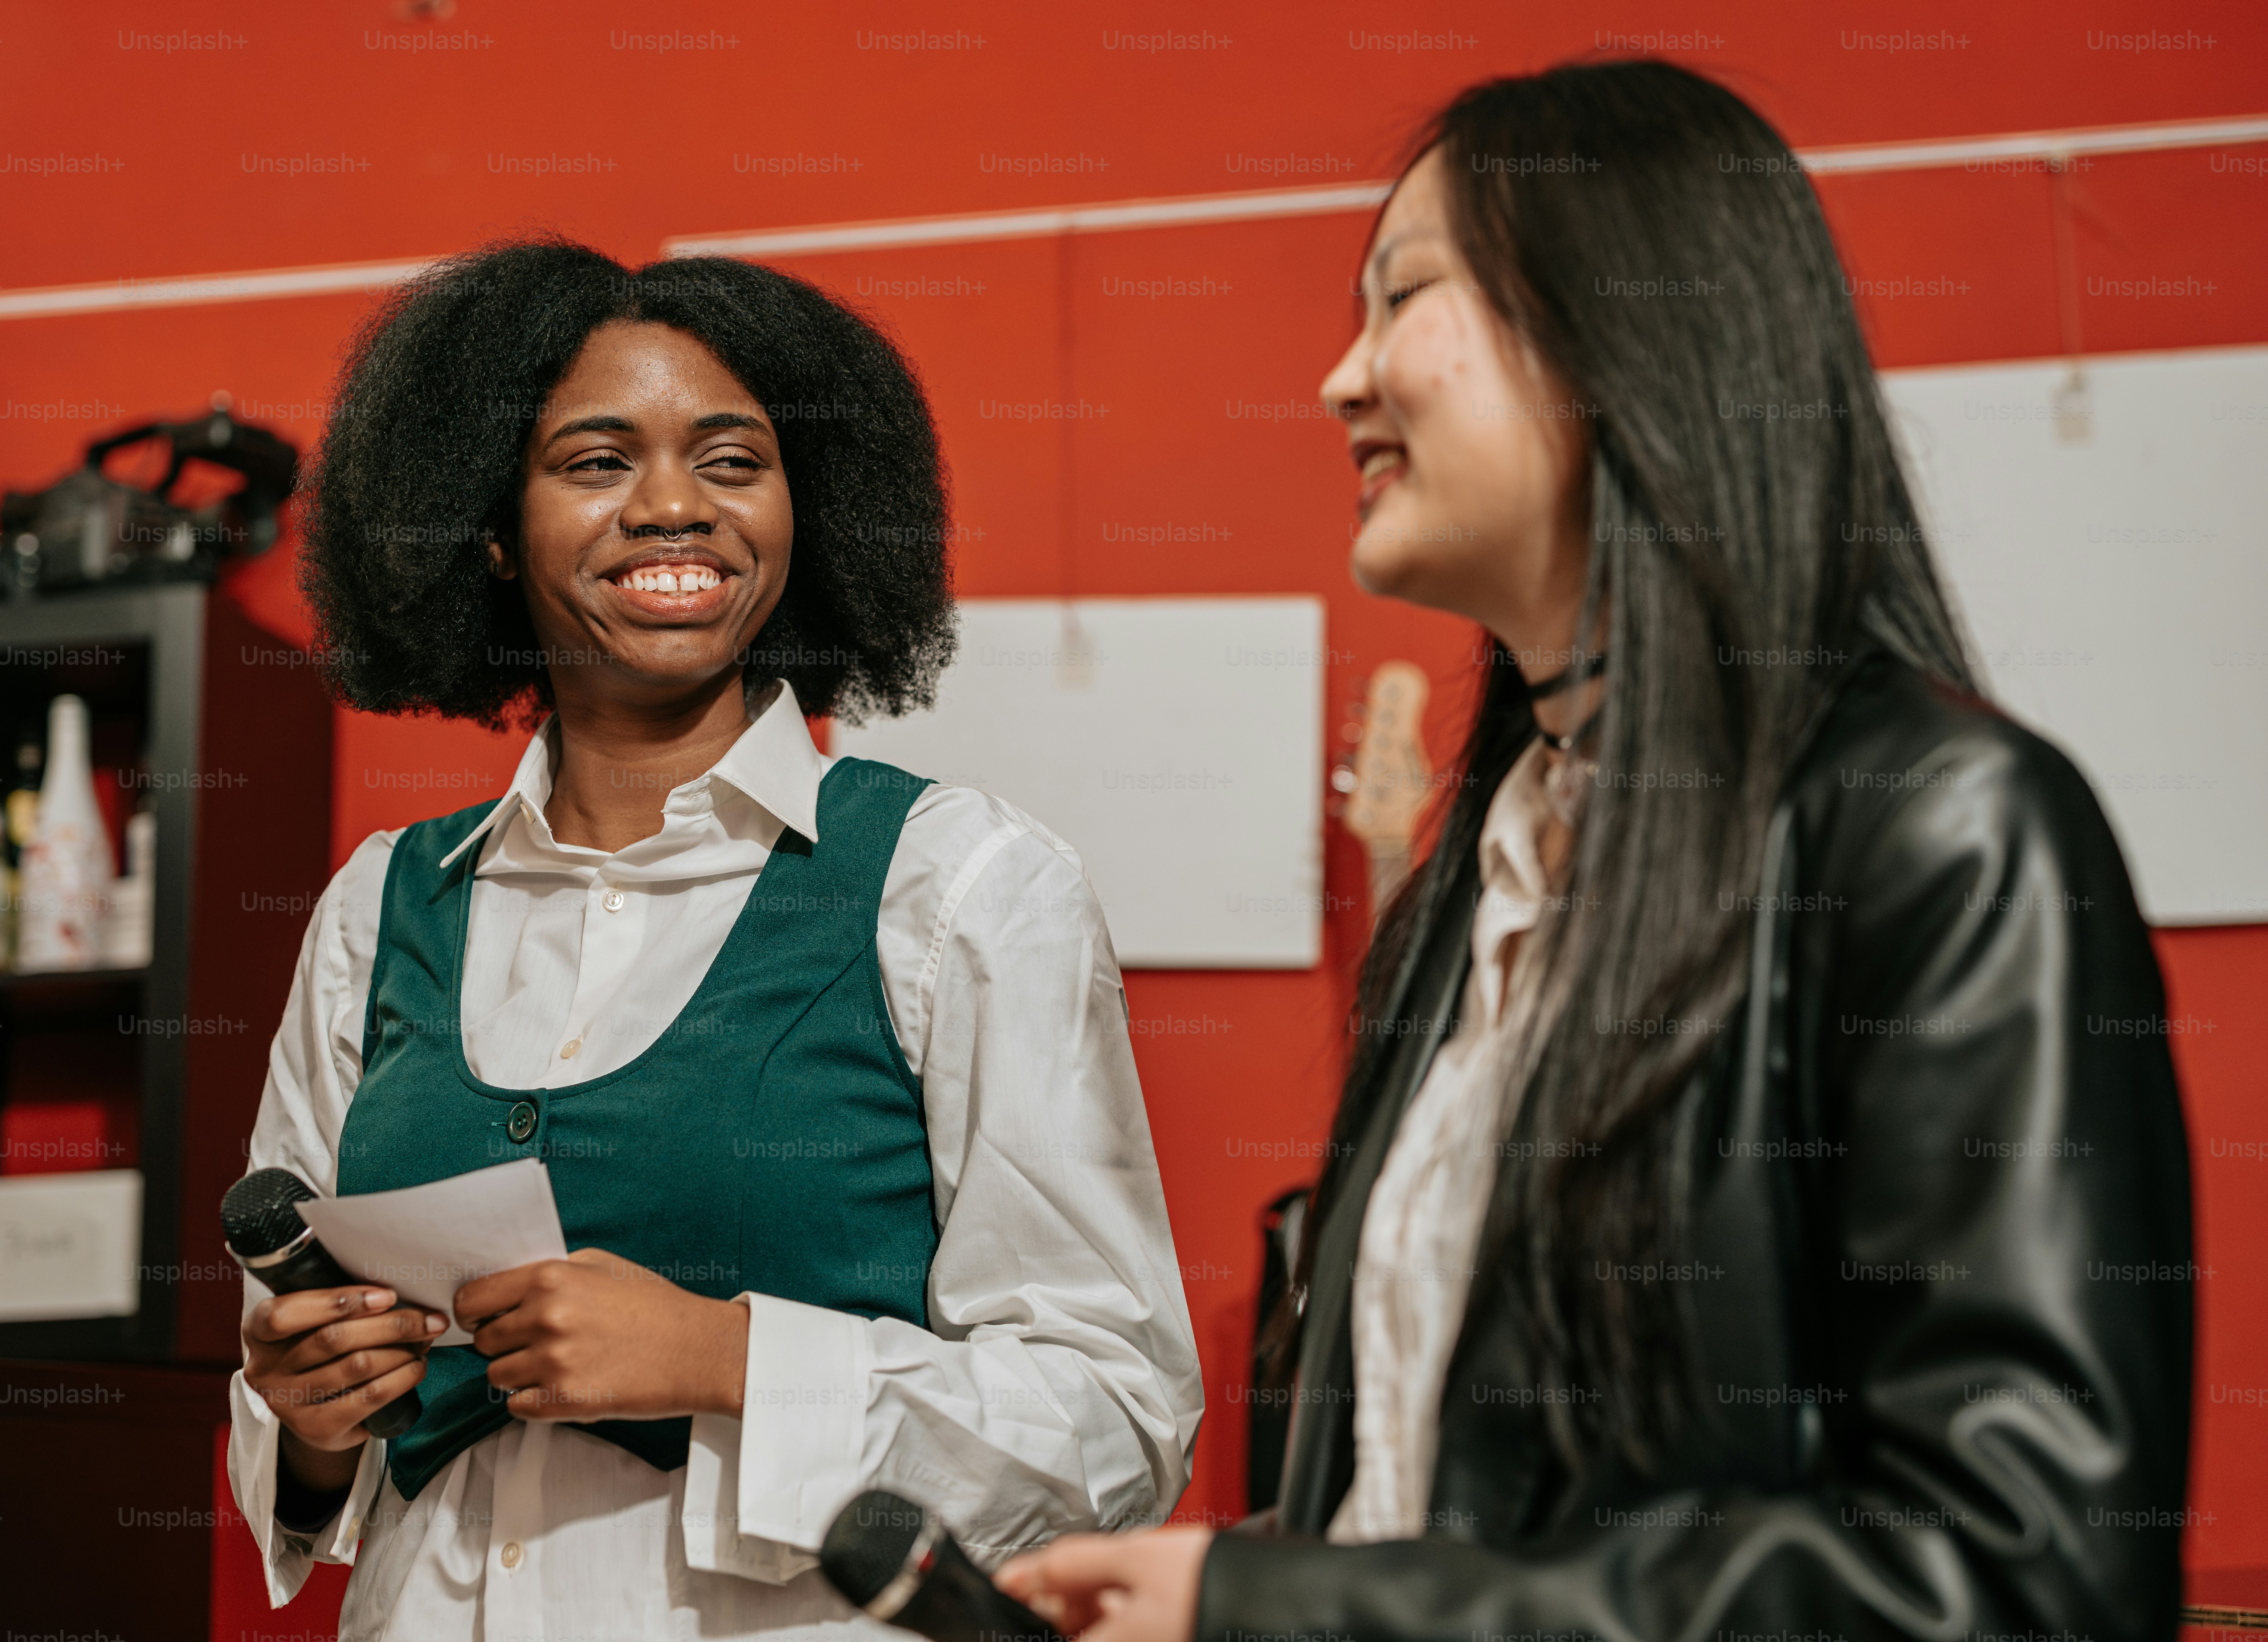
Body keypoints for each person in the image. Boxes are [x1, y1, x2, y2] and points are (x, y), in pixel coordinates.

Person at [1000, 59, 2191, 1642]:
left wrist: (1290, 1609)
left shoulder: (1940, 829)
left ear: (1623, 325)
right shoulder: (1473, 885)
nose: (1338, 381)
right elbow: (1468, 1503)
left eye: (1400, 295)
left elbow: (2024, 1574)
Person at [225, 240, 1202, 1640]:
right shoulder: (377, 908)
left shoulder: (964, 885)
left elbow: (1118, 1410)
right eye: (598, 461)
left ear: (810, 514)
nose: (673, 506)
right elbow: (301, 1457)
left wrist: (731, 1356)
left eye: (734, 461)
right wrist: (310, 1414)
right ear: (491, 524)